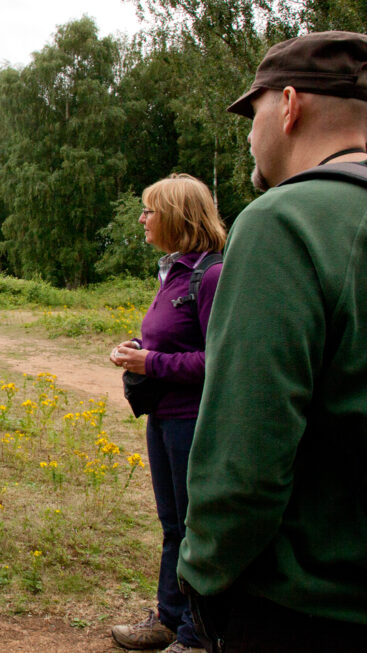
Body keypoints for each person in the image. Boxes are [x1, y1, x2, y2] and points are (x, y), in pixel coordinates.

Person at [178, 31, 367, 651]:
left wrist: (204, 573)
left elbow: (246, 451)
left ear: (288, 105)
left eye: (252, 115)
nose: (250, 135)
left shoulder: (286, 221)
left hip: (313, 604)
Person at [108, 174, 226, 653]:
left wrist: (150, 362)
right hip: (164, 416)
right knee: (173, 524)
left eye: (149, 210)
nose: (142, 219)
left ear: (177, 215)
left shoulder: (213, 275)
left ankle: (196, 635)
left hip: (194, 421)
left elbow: (219, 359)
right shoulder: (175, 270)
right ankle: (169, 617)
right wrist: (139, 347)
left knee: (196, 528)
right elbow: (174, 339)